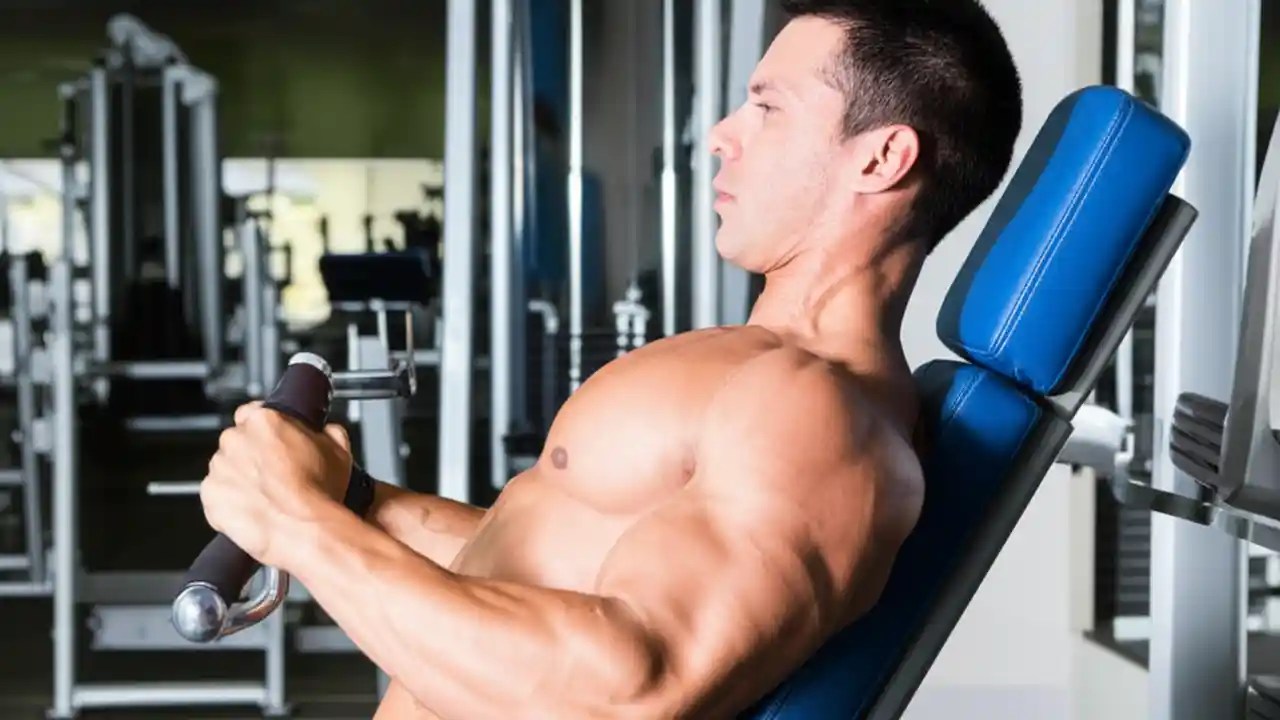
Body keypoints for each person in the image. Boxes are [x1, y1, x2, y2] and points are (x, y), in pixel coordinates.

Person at [198, 1, 1023, 717]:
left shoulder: (815, 414)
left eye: (767, 109)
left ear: (880, 159)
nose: (721, 138)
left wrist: (300, 528)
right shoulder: (768, 377)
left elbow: (629, 694)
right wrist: (356, 502)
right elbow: (550, 568)